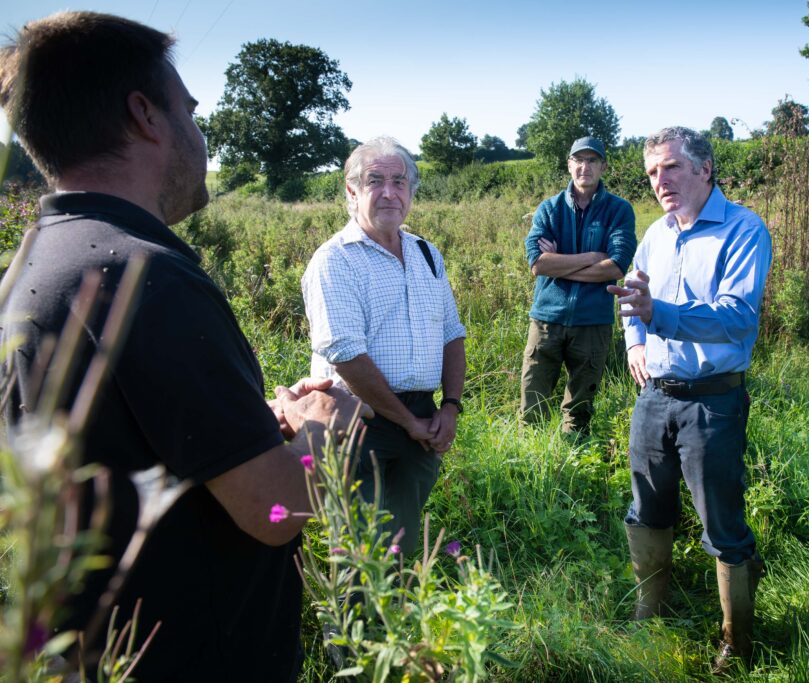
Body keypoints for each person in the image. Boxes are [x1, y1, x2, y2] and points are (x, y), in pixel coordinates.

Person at [0, 12, 366, 682]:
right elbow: (276, 511)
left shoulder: (30, 269)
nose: (201, 136)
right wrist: (321, 431)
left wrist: (256, 424)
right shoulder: (148, 278)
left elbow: (128, 438)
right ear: (145, 115)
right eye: (190, 113)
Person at [608, 127, 772, 670]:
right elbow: (634, 297)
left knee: (721, 519)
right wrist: (635, 340)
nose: (661, 181)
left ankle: (736, 639)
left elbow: (738, 316)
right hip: (654, 395)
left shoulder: (742, 229)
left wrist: (662, 317)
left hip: (712, 402)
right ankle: (650, 610)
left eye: (672, 167)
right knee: (647, 508)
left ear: (704, 169)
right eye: (653, 172)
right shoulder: (655, 235)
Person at [302, 137, 466, 555]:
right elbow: (346, 357)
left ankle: (397, 619)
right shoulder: (335, 260)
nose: (390, 192)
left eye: (400, 181)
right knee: (359, 549)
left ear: (411, 191)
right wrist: (406, 422)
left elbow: (452, 333)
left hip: (422, 421)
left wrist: (449, 407)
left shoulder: (427, 254)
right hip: (358, 420)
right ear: (352, 191)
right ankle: (348, 623)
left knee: (403, 541)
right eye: (376, 181)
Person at [520, 136, 636, 435]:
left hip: (592, 322)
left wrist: (560, 264)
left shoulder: (619, 210)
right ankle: (530, 461)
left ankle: (575, 465)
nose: (585, 166)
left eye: (592, 160)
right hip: (546, 319)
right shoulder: (550, 208)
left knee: (580, 410)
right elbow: (537, 264)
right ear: (569, 164)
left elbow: (617, 265)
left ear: (603, 166)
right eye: (579, 160)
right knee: (532, 405)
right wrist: (591, 258)